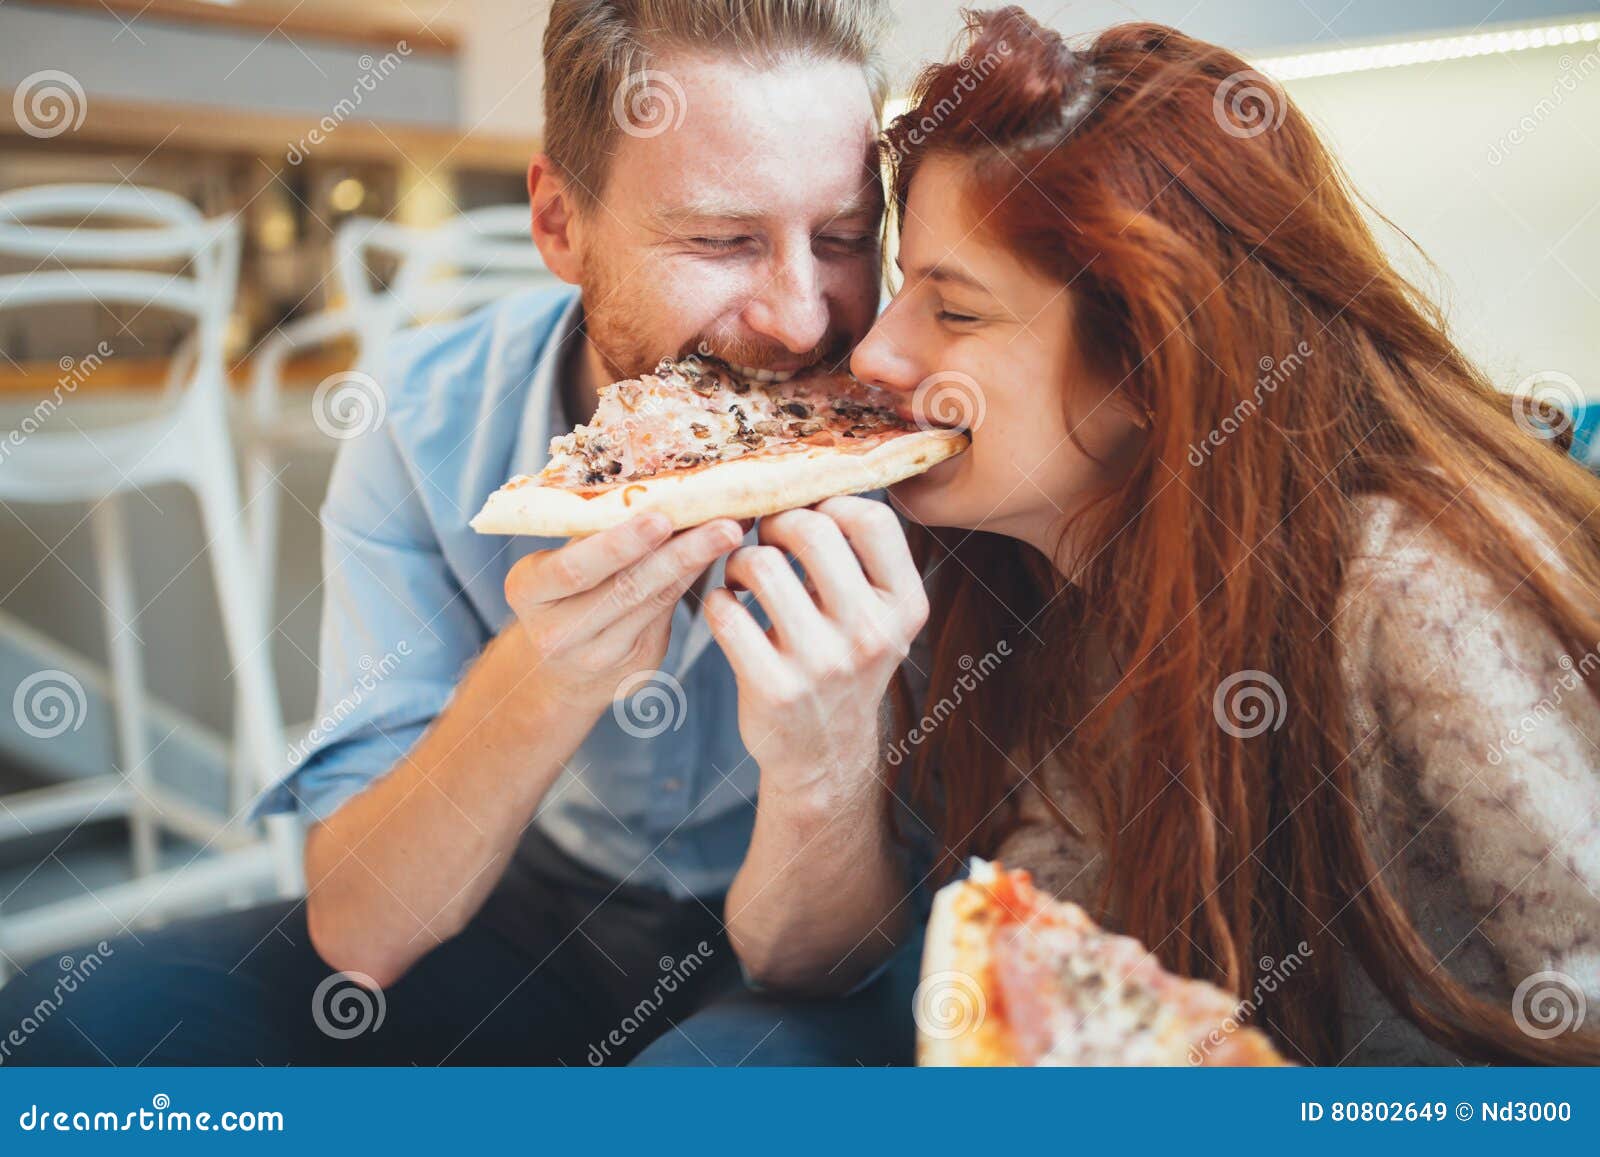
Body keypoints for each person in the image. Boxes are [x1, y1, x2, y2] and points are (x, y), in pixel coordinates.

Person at [0, 0, 925, 1066]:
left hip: (824, 942)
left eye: (847, 239)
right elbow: (361, 927)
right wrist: (541, 674)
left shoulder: (926, 432)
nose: (804, 318)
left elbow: (836, 950)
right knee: (84, 1026)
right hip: (533, 907)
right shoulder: (425, 423)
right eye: (722, 240)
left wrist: (827, 761)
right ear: (557, 223)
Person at [707, 7, 1600, 1064]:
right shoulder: (1003, 587)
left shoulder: (1414, 589)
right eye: (903, 289)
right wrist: (820, 753)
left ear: (1148, 366)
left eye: (955, 312)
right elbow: (811, 960)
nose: (874, 356)